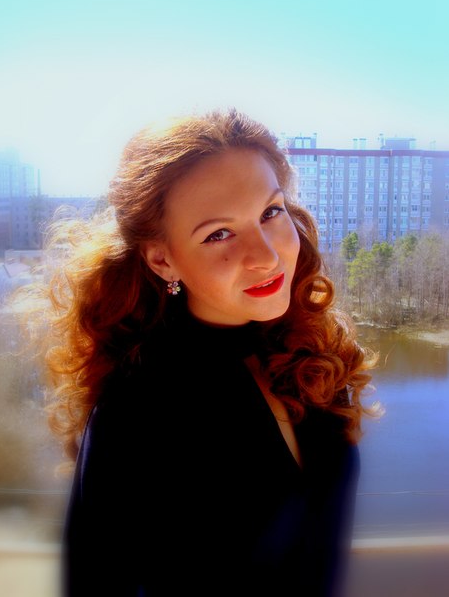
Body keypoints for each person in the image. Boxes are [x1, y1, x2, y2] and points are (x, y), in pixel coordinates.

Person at [31, 108, 378, 596]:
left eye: (270, 212)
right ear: (162, 259)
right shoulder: (136, 408)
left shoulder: (314, 356)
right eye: (219, 234)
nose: (267, 256)